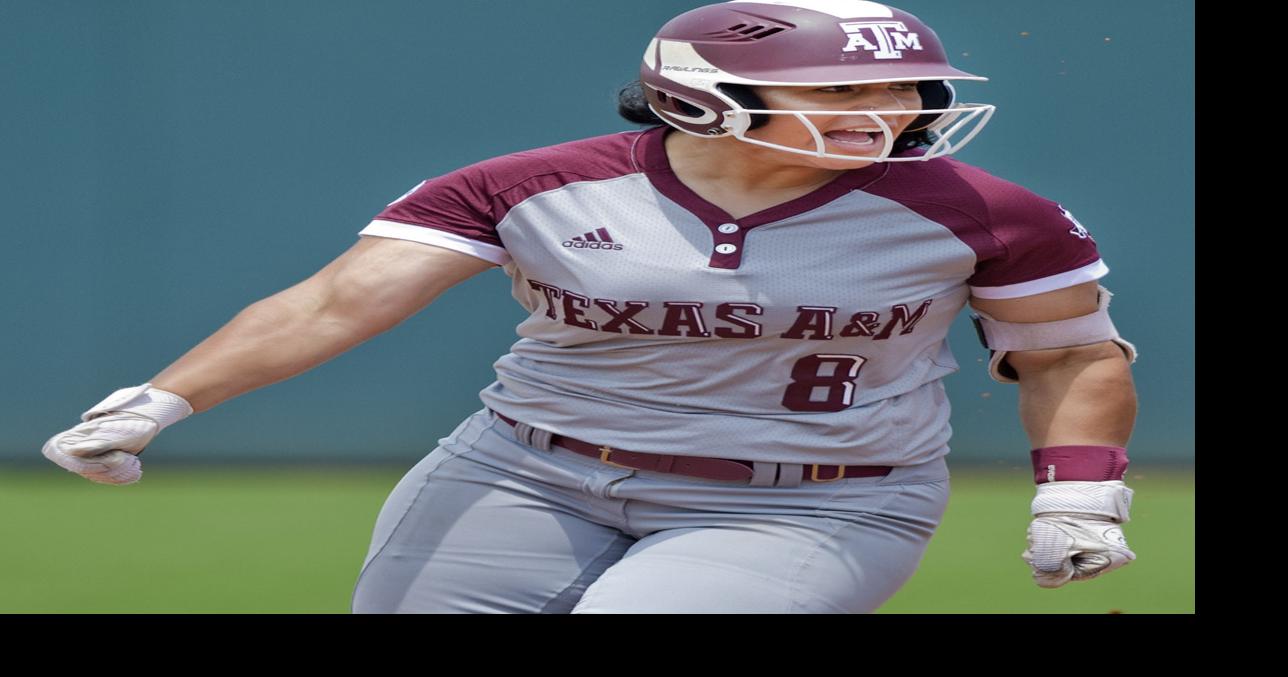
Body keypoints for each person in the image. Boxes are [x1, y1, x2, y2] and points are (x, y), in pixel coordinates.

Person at [41, 0, 1140, 613]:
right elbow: (339, 300)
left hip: (812, 501)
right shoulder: (533, 186)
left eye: (907, 89)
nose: (891, 111)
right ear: (698, 98)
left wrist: (1080, 497)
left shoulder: (983, 211)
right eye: (843, 90)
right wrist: (159, 399)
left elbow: (1069, 358)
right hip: (522, 469)